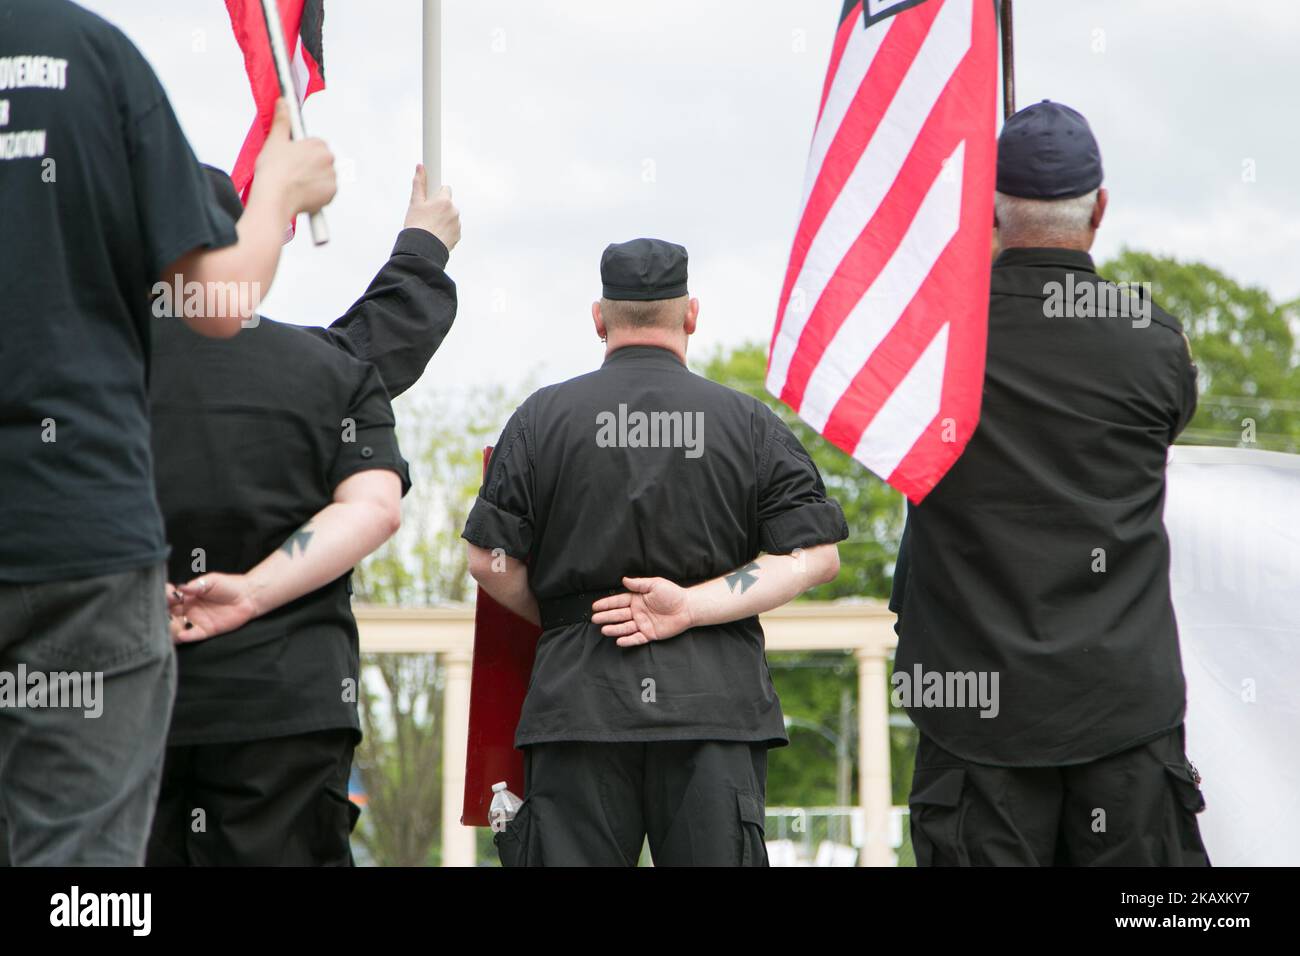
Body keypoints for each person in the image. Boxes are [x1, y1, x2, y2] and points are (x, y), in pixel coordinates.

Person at [0, 0, 334, 865]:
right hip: (77, 541)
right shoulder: (90, 56)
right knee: (79, 867)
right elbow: (218, 302)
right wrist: (277, 195)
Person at [890, 101, 1208, 866]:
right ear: (1100, 209)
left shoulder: (931, 345)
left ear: (987, 209)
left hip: (973, 718)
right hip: (1123, 708)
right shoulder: (1154, 342)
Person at [463, 238, 848, 867]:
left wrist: (573, 621)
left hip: (577, 708)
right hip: (714, 713)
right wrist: (690, 608)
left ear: (598, 318)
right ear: (691, 314)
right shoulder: (750, 424)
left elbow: (489, 559)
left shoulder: (538, 419)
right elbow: (815, 556)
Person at [140, 165, 456, 865]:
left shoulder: (81, 372)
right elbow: (374, 509)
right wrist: (422, 249)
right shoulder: (330, 367)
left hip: (118, 700)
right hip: (286, 707)